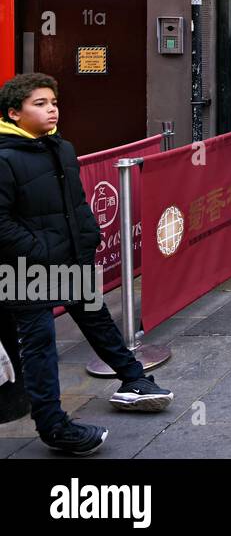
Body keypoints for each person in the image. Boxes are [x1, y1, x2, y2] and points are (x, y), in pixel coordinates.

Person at [0, 73, 172, 455]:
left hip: (70, 259)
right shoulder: (4, 158)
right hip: (25, 270)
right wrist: (40, 251)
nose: (51, 110)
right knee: (40, 345)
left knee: (95, 318)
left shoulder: (60, 148)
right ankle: (53, 426)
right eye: (39, 104)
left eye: (53, 102)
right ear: (13, 113)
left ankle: (133, 379)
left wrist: (88, 237)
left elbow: (77, 205)